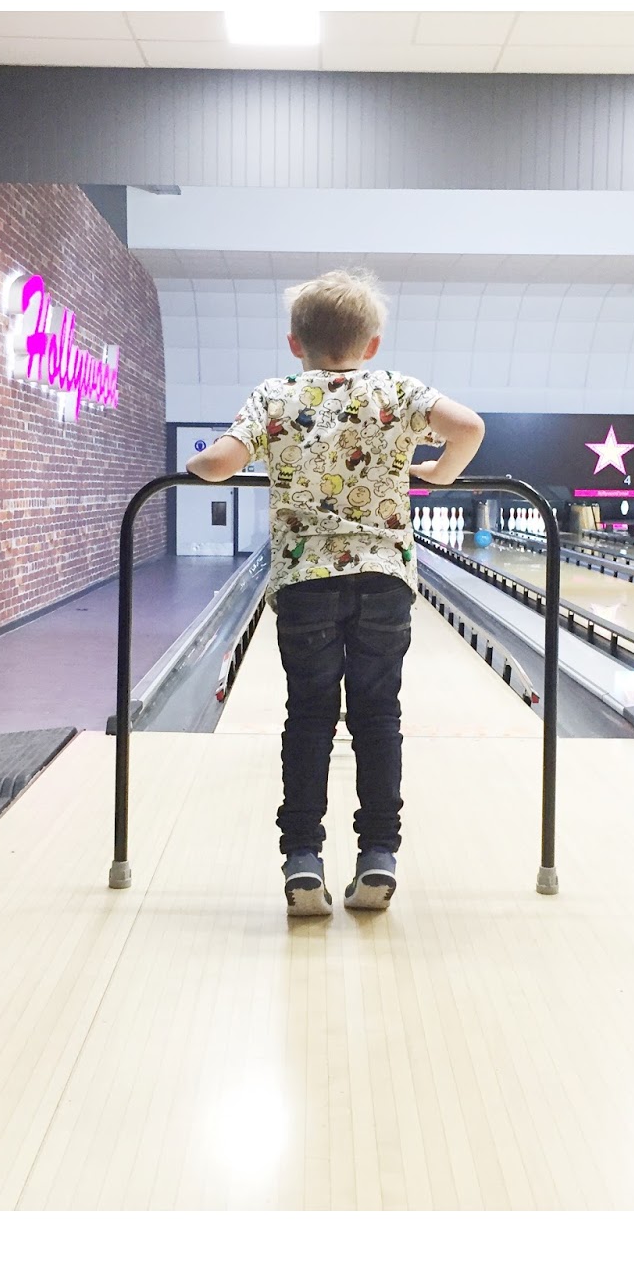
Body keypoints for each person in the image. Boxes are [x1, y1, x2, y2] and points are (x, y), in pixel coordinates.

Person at [187, 269, 485, 917]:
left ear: (295, 343)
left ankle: (302, 860)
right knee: (379, 717)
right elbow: (469, 427)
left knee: (309, 717)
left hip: (304, 583)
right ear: (372, 344)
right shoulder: (397, 388)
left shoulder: (274, 395)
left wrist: (199, 460)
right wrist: (434, 474)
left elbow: (219, 465)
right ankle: (379, 854)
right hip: (384, 579)